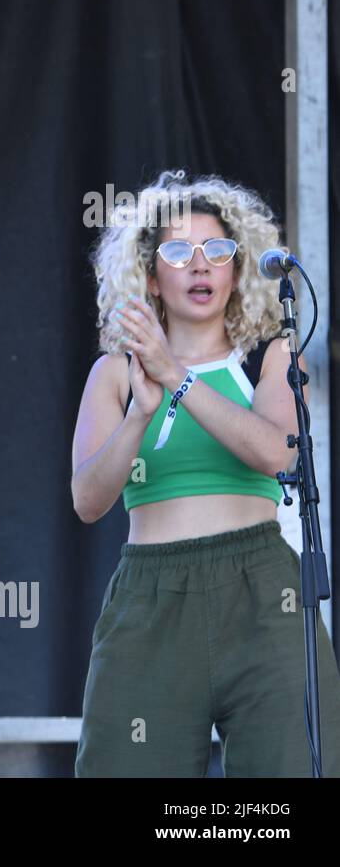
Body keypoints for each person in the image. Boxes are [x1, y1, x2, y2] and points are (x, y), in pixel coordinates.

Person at [71, 170, 340, 776]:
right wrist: (142, 410)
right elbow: (88, 500)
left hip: (264, 587)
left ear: (237, 269)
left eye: (217, 251)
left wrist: (178, 378)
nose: (200, 266)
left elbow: (278, 452)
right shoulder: (115, 373)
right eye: (178, 251)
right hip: (151, 594)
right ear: (149, 274)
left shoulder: (269, 355)